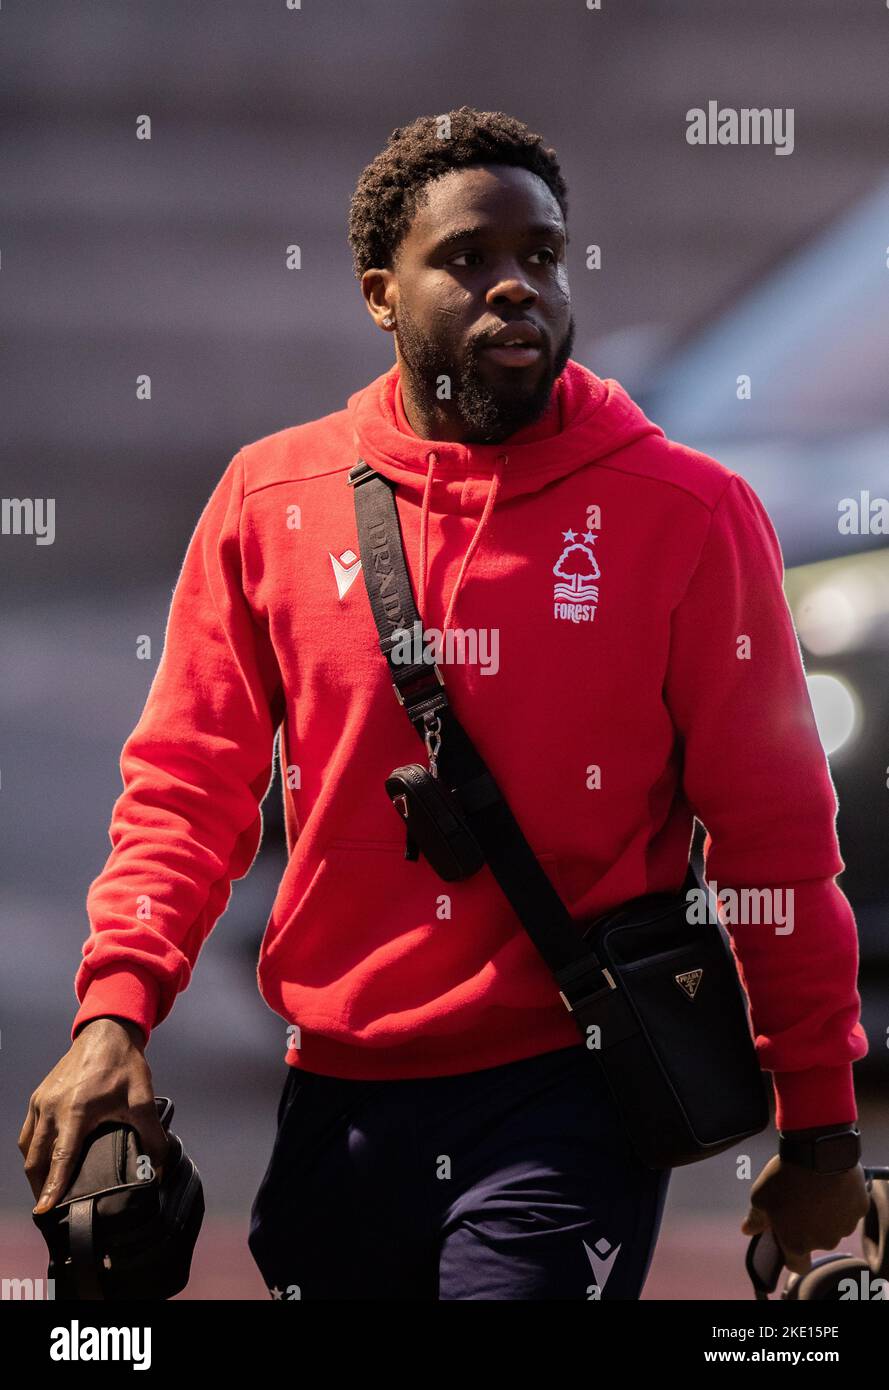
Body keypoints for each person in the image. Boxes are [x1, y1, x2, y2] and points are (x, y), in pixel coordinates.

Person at [19, 106, 869, 1300]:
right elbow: (186, 786)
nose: (516, 288)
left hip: (571, 1089)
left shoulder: (687, 512)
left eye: (542, 256)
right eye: (469, 259)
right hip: (337, 1092)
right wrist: (116, 1010)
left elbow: (776, 835)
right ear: (380, 292)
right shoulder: (272, 498)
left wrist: (820, 1122)